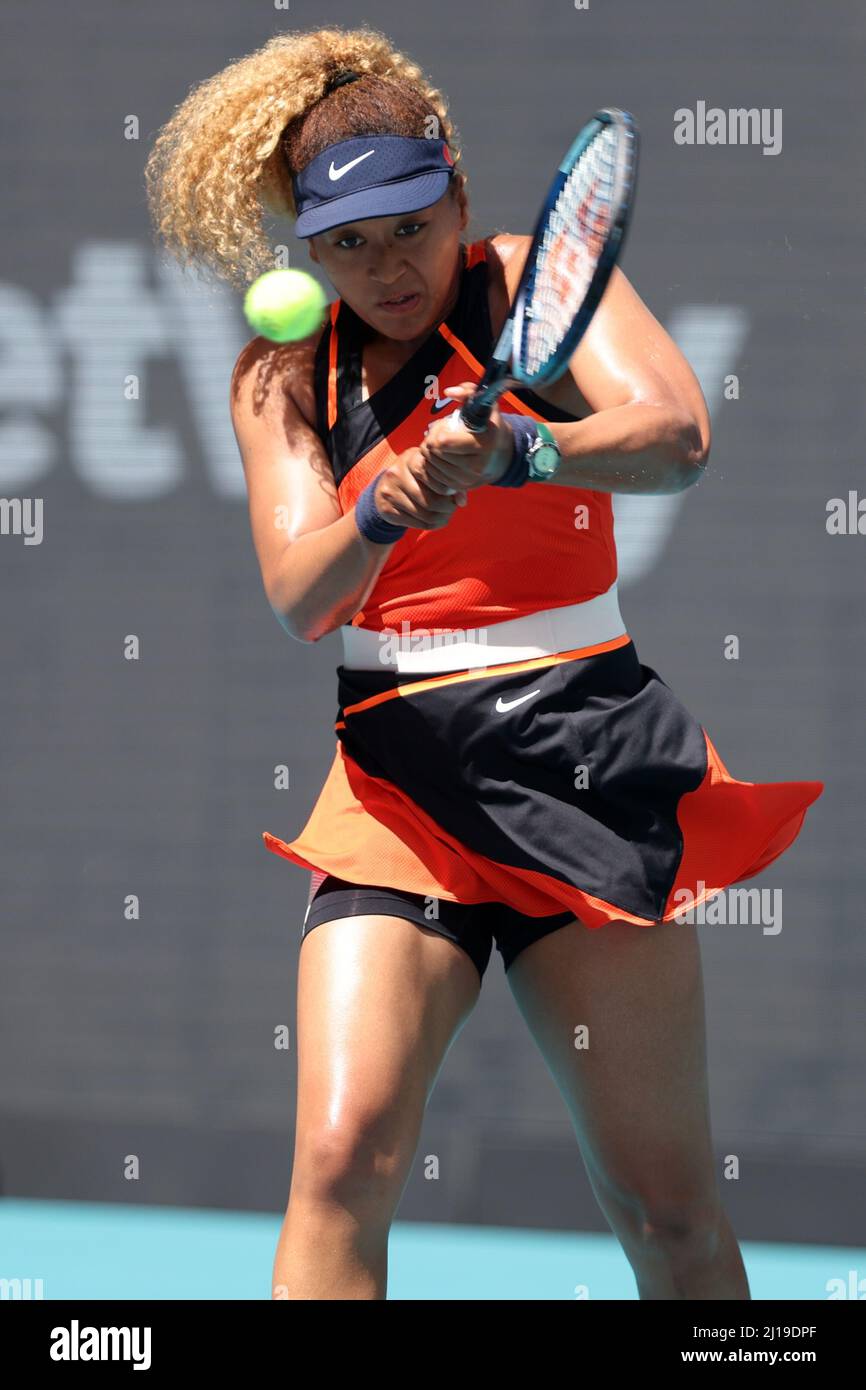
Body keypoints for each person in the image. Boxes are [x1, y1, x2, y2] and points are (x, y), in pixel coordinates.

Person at [145, 26, 823, 1300]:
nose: (385, 267)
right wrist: (385, 507)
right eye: (344, 244)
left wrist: (527, 453)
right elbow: (301, 594)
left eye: (408, 226)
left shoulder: (524, 281)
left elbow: (674, 434)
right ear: (309, 249)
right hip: (394, 785)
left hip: (587, 761)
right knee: (341, 1158)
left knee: (661, 1205)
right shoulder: (282, 372)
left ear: (455, 189)